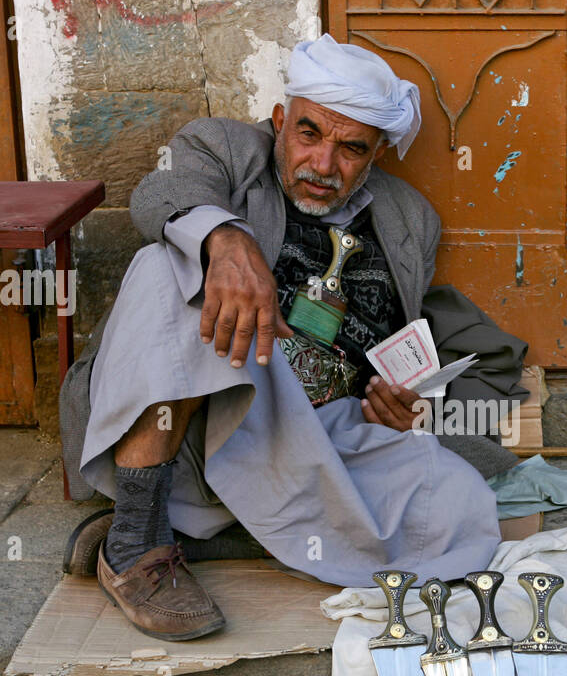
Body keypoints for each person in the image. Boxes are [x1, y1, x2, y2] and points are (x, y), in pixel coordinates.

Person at [57, 34, 529, 642]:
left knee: (462, 504)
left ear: (377, 153)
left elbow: (401, 340)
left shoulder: (410, 220)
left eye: (351, 148)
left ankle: (209, 542)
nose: (323, 165)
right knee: (166, 268)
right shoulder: (225, 148)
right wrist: (227, 245)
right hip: (206, 403)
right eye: (309, 134)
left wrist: (396, 399)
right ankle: (136, 541)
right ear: (282, 121)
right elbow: (159, 195)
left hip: (315, 432)